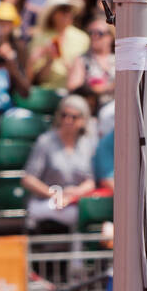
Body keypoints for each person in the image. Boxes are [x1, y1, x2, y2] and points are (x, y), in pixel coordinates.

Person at [21, 95, 98, 232]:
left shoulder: (88, 143)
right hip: (46, 200)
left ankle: (78, 250)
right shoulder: (45, 141)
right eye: (64, 115)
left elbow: (90, 181)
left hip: (76, 201)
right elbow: (28, 179)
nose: (68, 120)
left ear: (83, 120)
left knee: (85, 212)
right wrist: (55, 195)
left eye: (74, 117)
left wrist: (75, 193)